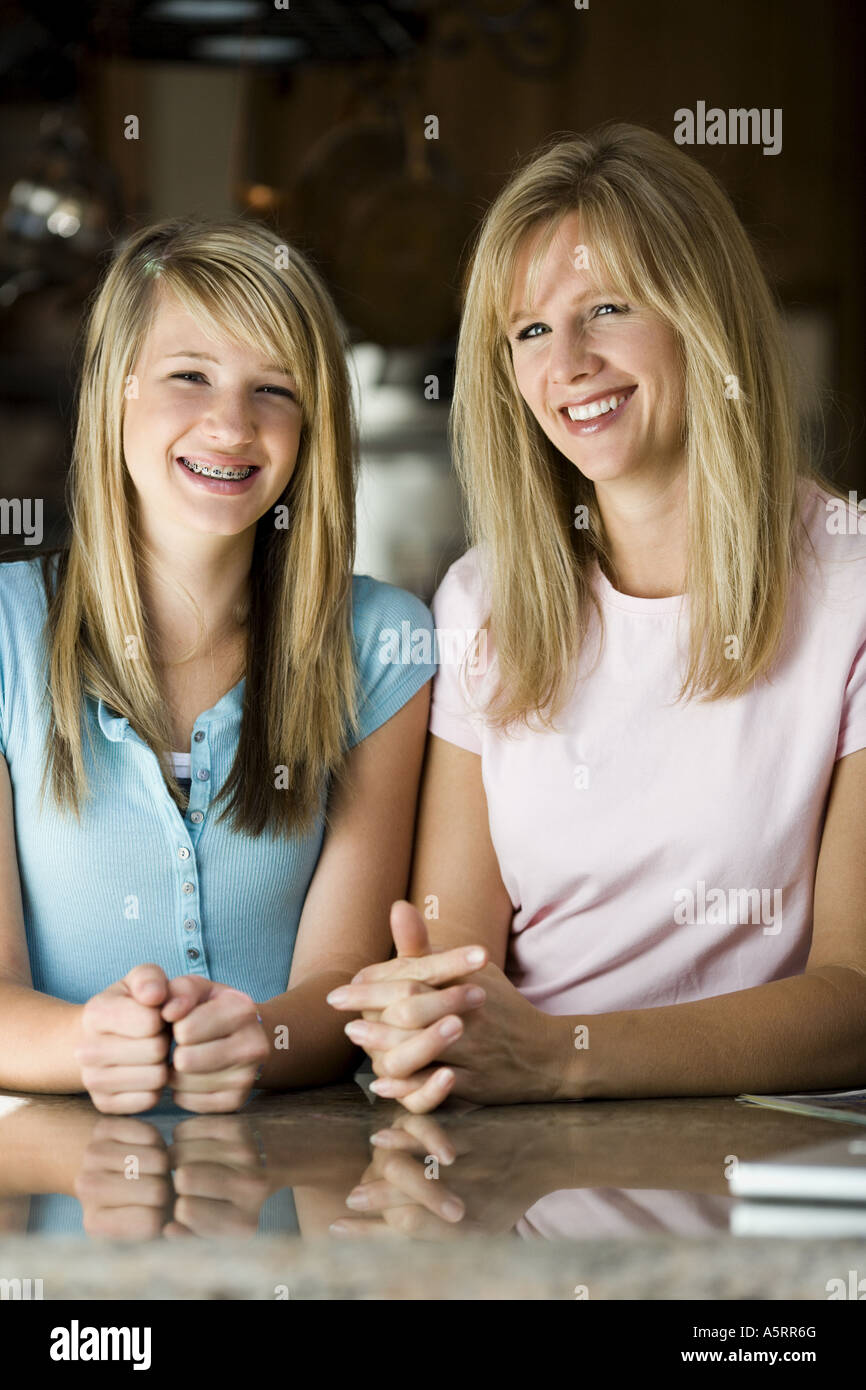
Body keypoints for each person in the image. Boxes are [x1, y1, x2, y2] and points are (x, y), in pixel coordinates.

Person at [328, 123, 866, 1113]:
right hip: (513, 1148)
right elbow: (454, 962)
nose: (565, 362)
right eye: (529, 330)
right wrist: (422, 1020)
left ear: (703, 316)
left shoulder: (849, 581)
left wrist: (562, 1055)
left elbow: (854, 1002)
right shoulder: (481, 600)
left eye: (604, 309)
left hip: (758, 1166)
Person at [0, 217, 436, 1113]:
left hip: (292, 1190)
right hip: (59, 1204)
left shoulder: (384, 644)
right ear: (113, 391)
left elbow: (340, 978)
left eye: (274, 389)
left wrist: (259, 1039)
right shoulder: (5, 631)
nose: (232, 425)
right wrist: (91, 1045)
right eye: (189, 376)